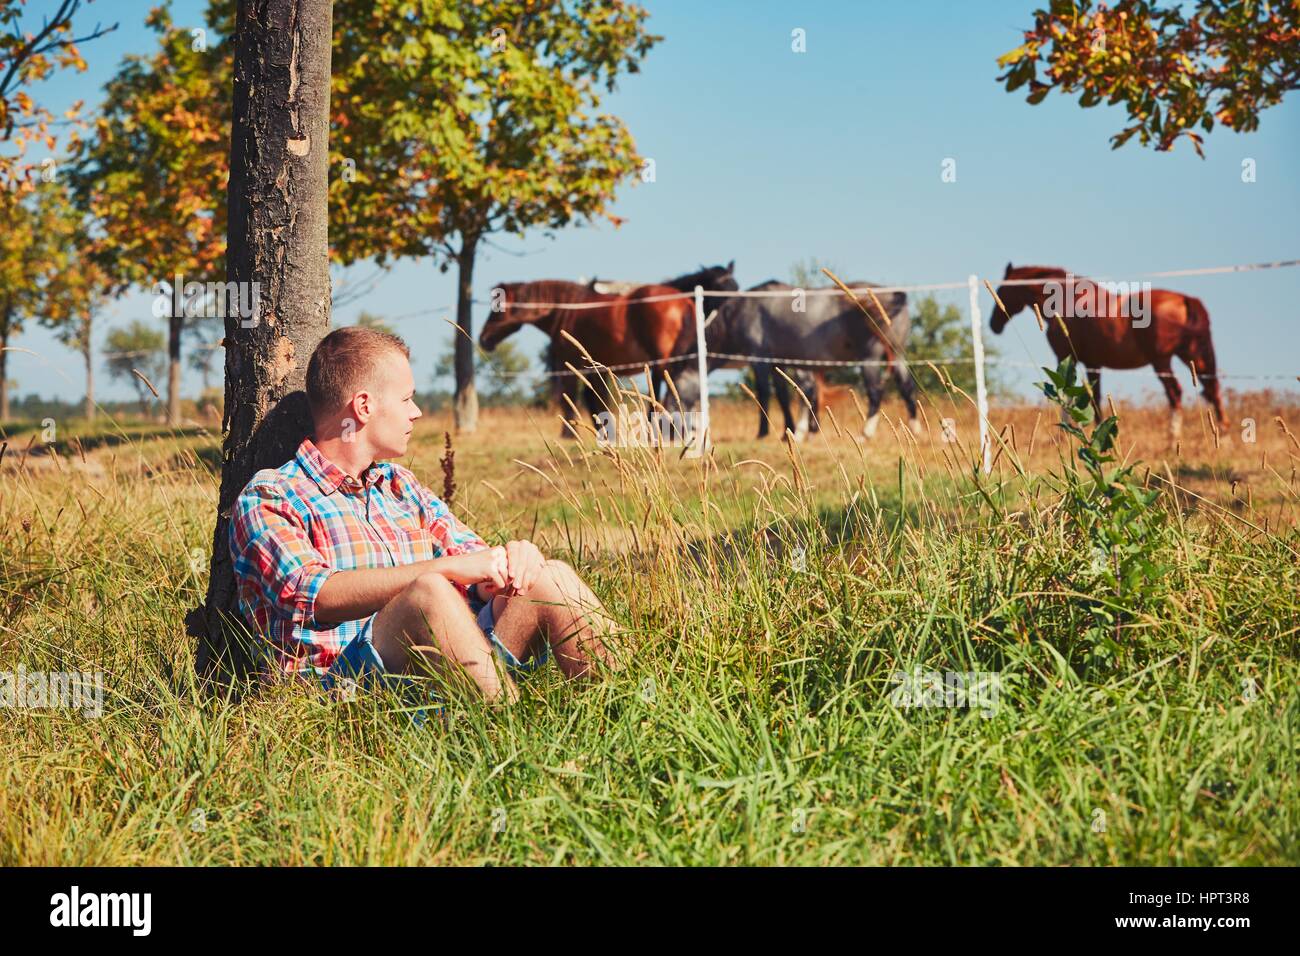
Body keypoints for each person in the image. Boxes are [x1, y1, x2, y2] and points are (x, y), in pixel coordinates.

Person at [228, 326, 620, 706]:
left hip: (447, 666)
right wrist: (447, 569)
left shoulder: (399, 486)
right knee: (428, 592)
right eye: (406, 399)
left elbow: (474, 567)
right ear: (364, 406)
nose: (416, 413)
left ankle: (632, 711)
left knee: (550, 577)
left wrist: (511, 565)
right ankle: (509, 735)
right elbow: (314, 595)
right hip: (344, 693)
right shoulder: (272, 495)